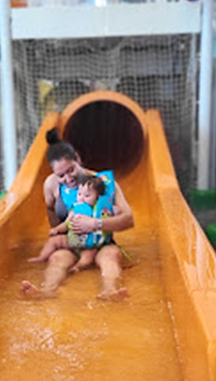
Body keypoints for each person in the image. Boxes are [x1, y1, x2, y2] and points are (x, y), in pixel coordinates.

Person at [21, 128, 134, 299]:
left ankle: (109, 291)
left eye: (71, 170)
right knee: (57, 258)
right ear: (53, 173)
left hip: (101, 243)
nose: (68, 179)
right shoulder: (52, 184)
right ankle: (47, 291)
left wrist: (96, 224)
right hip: (73, 243)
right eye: (61, 175)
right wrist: (59, 236)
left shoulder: (102, 184)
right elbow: (50, 209)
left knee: (111, 256)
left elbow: (128, 219)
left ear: (78, 159)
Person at [28, 173, 114, 271]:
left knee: (88, 256)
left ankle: (78, 267)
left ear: (98, 198)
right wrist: (56, 230)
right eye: (79, 193)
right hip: (72, 241)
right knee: (54, 241)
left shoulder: (99, 212)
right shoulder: (75, 209)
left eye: (87, 195)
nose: (81, 197)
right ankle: (41, 257)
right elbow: (66, 224)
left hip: (90, 246)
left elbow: (107, 224)